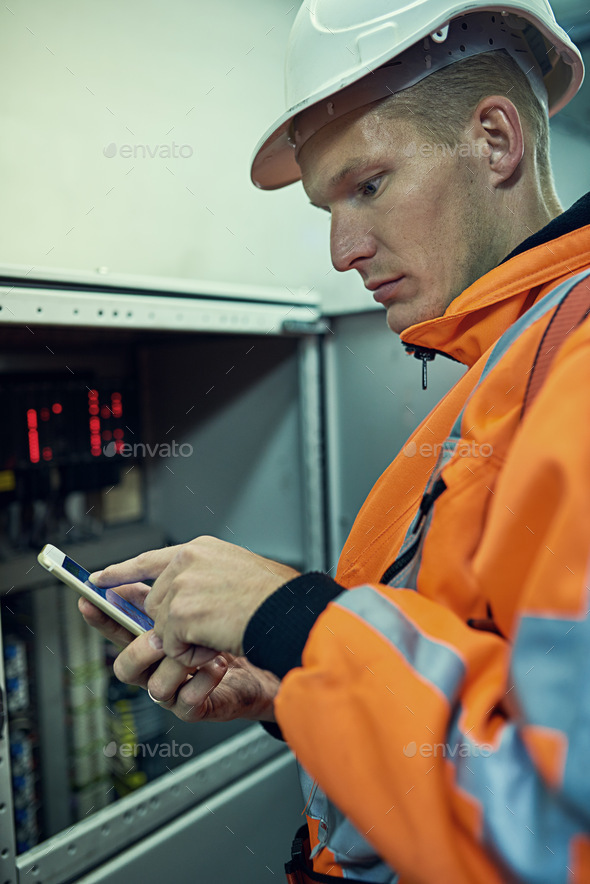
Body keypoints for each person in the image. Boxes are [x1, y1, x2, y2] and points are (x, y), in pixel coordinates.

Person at [81, 1, 590, 881]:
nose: (343, 249)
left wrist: (293, 618)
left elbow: (557, 832)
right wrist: (293, 684)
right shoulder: (507, 367)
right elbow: (479, 703)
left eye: (370, 185)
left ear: (495, 142)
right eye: (328, 205)